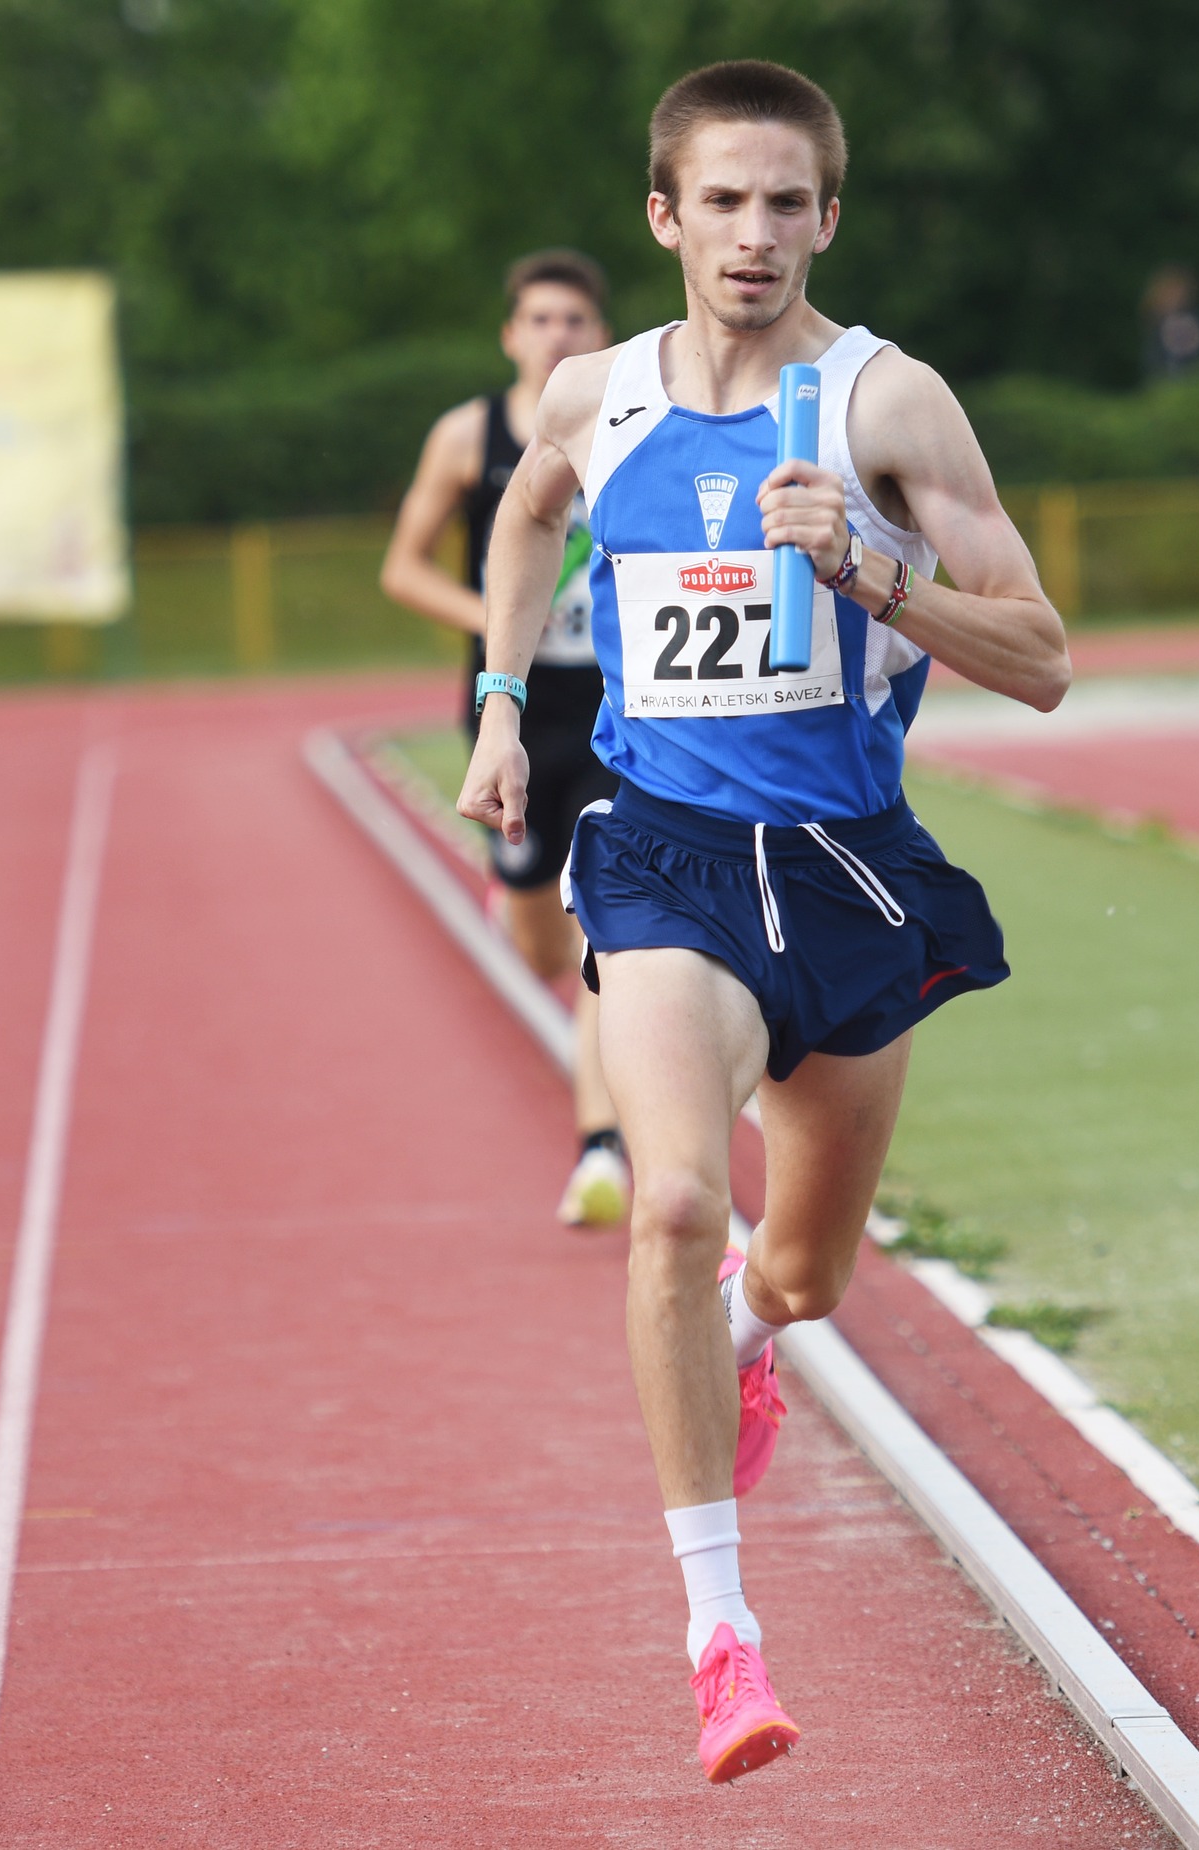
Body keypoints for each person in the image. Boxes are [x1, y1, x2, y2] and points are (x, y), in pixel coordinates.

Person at [457, 62, 1070, 1782]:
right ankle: (718, 1634)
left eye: (786, 202)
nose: (754, 233)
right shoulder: (592, 399)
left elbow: (1041, 658)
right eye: (721, 201)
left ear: (826, 217)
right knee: (669, 1199)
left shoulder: (888, 408)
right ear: (664, 215)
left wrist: (873, 573)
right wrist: (504, 705)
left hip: (845, 873)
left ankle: (744, 1330)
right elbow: (520, 517)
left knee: (797, 1275)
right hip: (658, 854)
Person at [381, 250, 629, 1226]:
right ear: (509, 334)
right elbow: (402, 566)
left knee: (605, 928)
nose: (556, 335)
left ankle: (600, 1143)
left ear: (597, 332)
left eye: (574, 319)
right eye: (538, 319)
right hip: (509, 714)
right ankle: (526, 900)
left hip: (615, 713)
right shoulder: (465, 435)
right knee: (541, 935)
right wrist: (494, 618)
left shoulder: (629, 425)